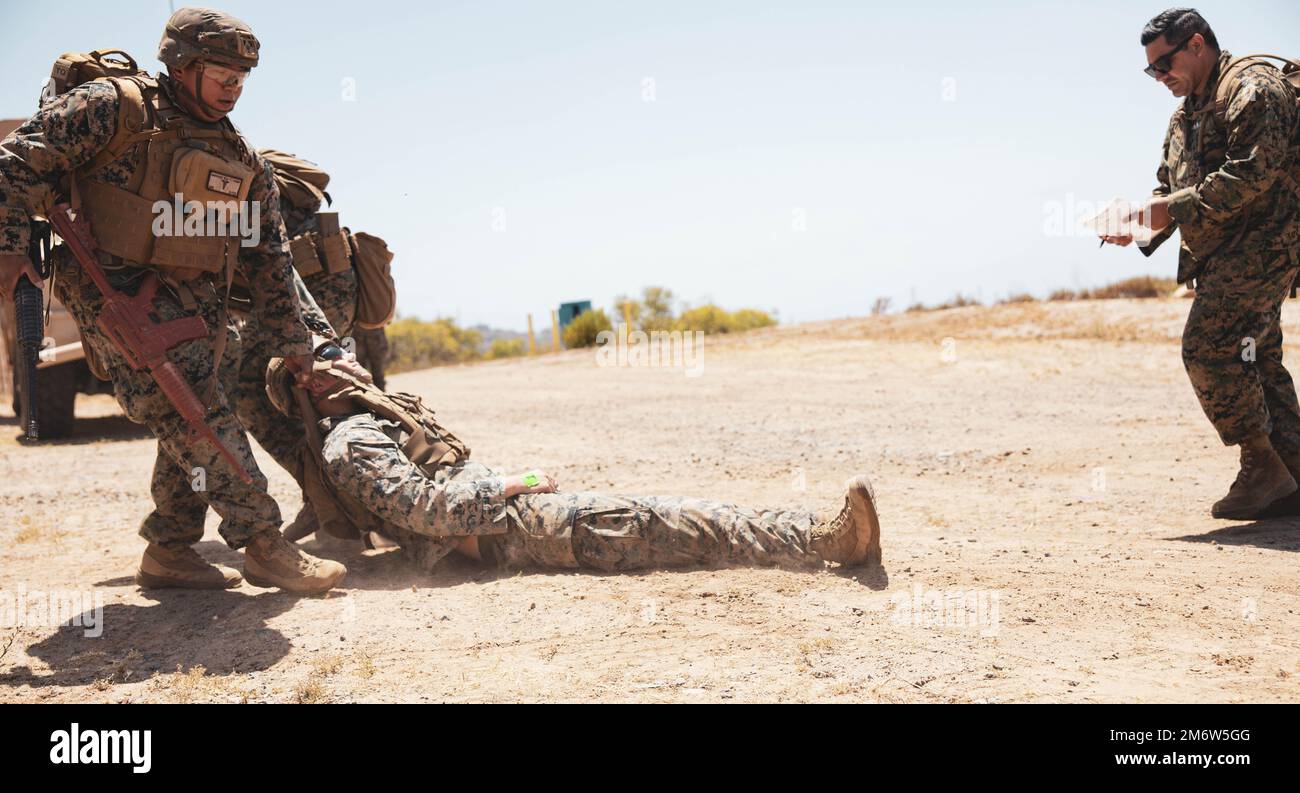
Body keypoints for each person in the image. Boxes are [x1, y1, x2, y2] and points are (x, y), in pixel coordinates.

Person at [0, 7, 356, 593]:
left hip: (197, 302)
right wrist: (13, 249)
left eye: (243, 78)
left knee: (193, 407)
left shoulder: (238, 154)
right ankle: (264, 544)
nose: (234, 88)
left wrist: (297, 346)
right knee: (194, 407)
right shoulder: (115, 107)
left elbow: (269, 256)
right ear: (182, 65)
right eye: (222, 74)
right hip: (112, 292)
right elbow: (14, 162)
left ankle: (169, 549)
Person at [264, 357, 883, 573]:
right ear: (310, 388)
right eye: (326, 360)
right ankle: (823, 542)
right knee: (668, 521)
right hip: (509, 532)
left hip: (511, 523)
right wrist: (518, 482)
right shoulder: (351, 443)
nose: (345, 360)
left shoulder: (367, 425)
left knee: (667, 523)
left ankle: (812, 538)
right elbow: (429, 513)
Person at [1102, 8, 1300, 519]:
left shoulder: (1253, 89)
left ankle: (1262, 468)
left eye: (1164, 64)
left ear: (1195, 44)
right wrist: (1139, 221)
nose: (1159, 77)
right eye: (1151, 70)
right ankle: (1293, 477)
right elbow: (1170, 186)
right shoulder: (1186, 111)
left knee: (1209, 348)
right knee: (1259, 358)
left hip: (1267, 245)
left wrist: (1164, 208)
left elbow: (1253, 173)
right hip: (1225, 254)